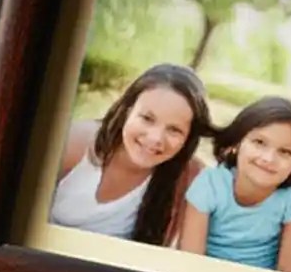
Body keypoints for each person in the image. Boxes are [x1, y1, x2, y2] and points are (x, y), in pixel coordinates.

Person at [50, 63, 213, 246]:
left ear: (188, 138)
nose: (155, 138)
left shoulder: (188, 177)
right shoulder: (77, 143)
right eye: (147, 118)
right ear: (128, 110)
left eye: (174, 130)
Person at [177, 96, 291, 272]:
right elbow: (190, 261)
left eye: (285, 152)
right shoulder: (210, 184)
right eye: (259, 142)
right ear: (237, 143)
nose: (268, 158)